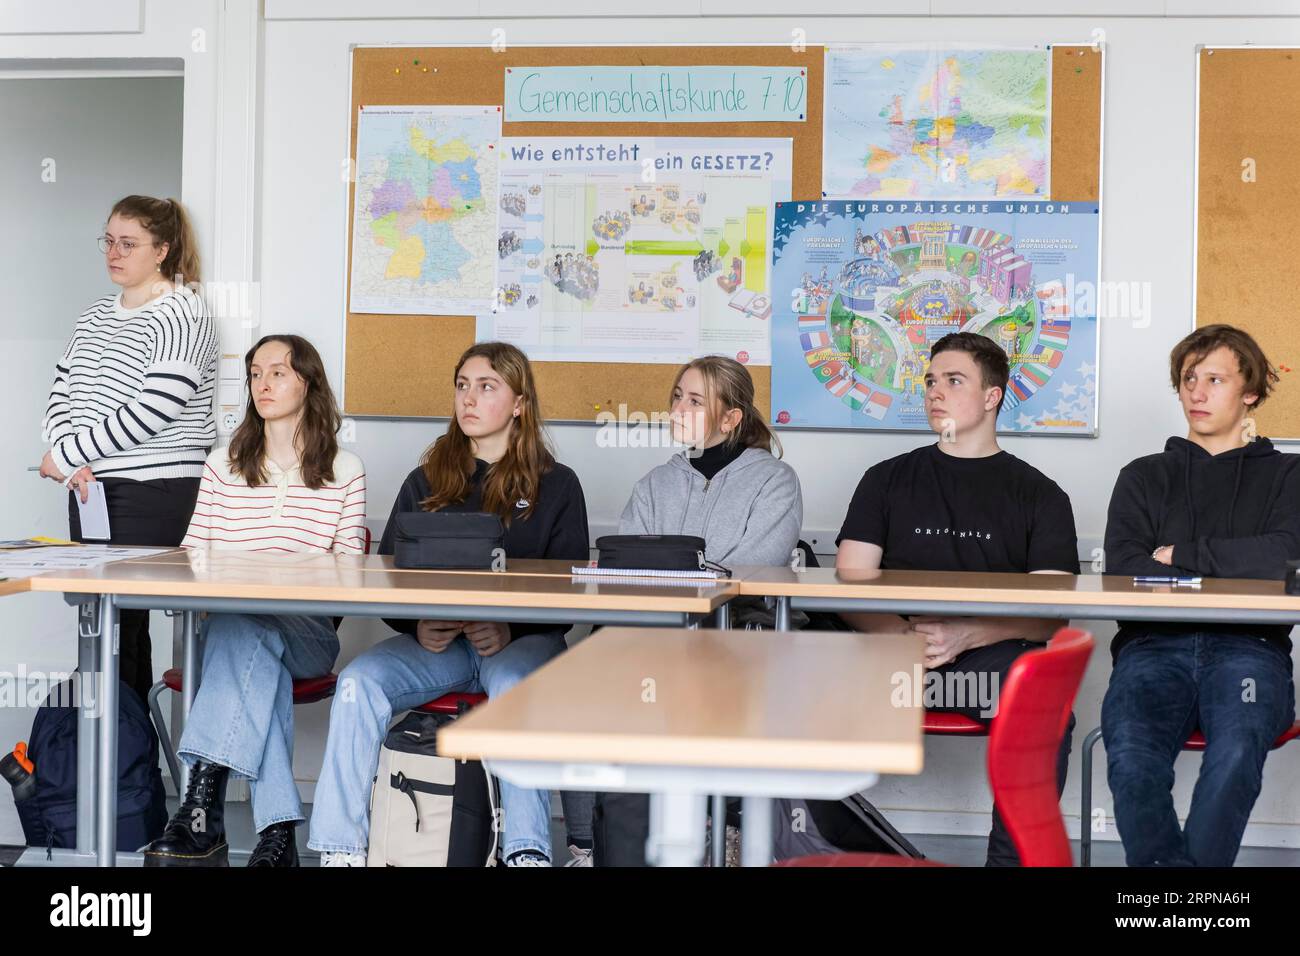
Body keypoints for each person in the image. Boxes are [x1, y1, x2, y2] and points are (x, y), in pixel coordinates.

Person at [309, 342, 589, 867]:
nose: (470, 398)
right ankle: (339, 848)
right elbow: (385, 576)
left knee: (509, 687)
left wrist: (510, 629)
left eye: (487, 387)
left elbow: (568, 594)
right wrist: (418, 625)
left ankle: (526, 851)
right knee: (357, 683)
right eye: (462, 385)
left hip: (522, 649)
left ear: (520, 403)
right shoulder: (427, 479)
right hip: (442, 649)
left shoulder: (558, 484)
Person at [835, 331, 1079, 866]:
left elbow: (1049, 614)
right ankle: (804, 846)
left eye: (953, 380)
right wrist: (898, 637)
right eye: (929, 381)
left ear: (993, 396)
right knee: (788, 681)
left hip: (987, 659)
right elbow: (850, 582)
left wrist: (966, 634)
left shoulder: (1040, 494)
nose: (934, 392)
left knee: (1045, 709)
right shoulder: (886, 479)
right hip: (887, 658)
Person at [141, 335, 366, 867]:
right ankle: (277, 835)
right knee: (250, 645)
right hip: (234, 631)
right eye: (255, 374)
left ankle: (201, 805)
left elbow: (350, 574)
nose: (263, 384)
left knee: (244, 630)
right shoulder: (223, 463)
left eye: (278, 373)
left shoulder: (345, 468)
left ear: (307, 383)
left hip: (307, 633)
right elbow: (193, 556)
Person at [593, 355, 803, 865]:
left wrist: (681, 576)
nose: (678, 408)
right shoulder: (654, 484)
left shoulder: (775, 480)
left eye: (695, 400)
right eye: (676, 396)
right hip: (656, 644)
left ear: (732, 417)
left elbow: (756, 568)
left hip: (737, 645)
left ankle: (720, 832)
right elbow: (624, 567)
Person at [1101, 324, 1298, 866]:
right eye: (1189, 378)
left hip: (1250, 650)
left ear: (1250, 392)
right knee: (1133, 761)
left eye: (1215, 378)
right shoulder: (1143, 476)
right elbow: (1123, 567)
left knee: (1235, 753)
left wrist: (1178, 554)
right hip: (1151, 649)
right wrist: (1230, 563)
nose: (1197, 391)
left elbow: (1285, 556)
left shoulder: (1289, 474)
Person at [40, 195, 216, 703]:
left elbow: (153, 408)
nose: (114, 253)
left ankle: (123, 766)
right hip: (91, 489)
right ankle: (114, 766)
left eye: (129, 243)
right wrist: (68, 455)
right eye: (109, 241)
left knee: (123, 621)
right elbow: (61, 389)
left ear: (161, 250)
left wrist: (70, 456)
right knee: (104, 628)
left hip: (154, 489)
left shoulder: (184, 310)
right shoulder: (95, 315)